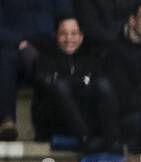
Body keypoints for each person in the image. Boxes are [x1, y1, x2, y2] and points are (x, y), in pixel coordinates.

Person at [31, 16, 121, 151]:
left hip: (87, 118)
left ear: (81, 37)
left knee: (104, 85)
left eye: (74, 34)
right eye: (63, 34)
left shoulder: (91, 59)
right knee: (59, 87)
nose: (69, 39)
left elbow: (98, 86)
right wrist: (82, 82)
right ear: (56, 36)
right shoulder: (45, 59)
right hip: (57, 123)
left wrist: (74, 83)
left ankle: (111, 141)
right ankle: (85, 139)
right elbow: (47, 85)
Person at [0, 0, 74, 141]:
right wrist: (19, 42)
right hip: (17, 47)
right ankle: (7, 121)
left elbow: (67, 16)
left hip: (50, 46)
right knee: (6, 57)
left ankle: (58, 128)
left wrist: (60, 38)